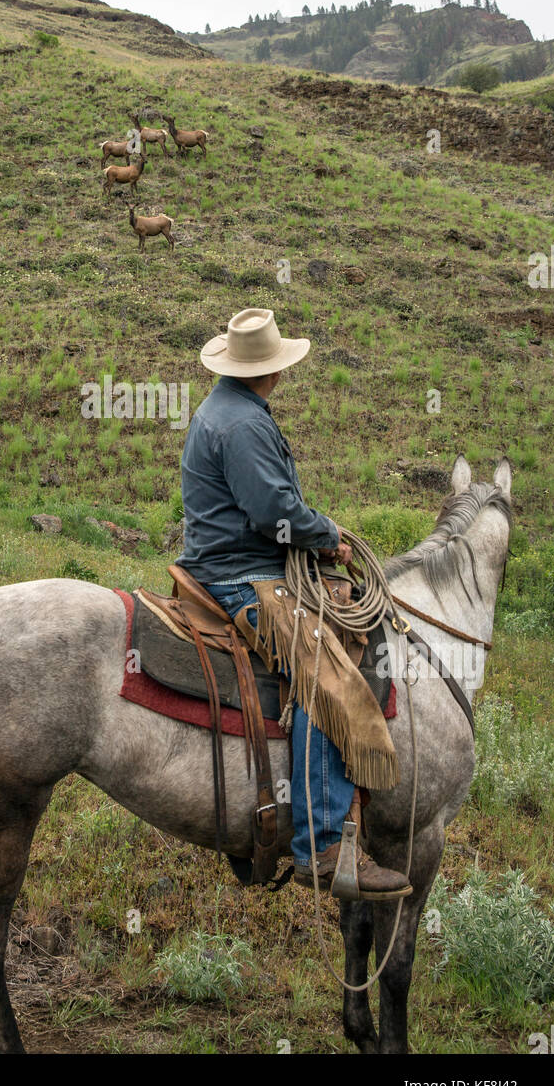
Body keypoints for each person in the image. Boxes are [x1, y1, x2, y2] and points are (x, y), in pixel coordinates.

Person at [176, 308, 411, 900]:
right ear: (272, 371)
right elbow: (273, 514)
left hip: (231, 562)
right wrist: (326, 532)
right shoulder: (243, 424)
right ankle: (323, 847)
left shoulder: (227, 409)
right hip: (242, 576)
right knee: (324, 673)